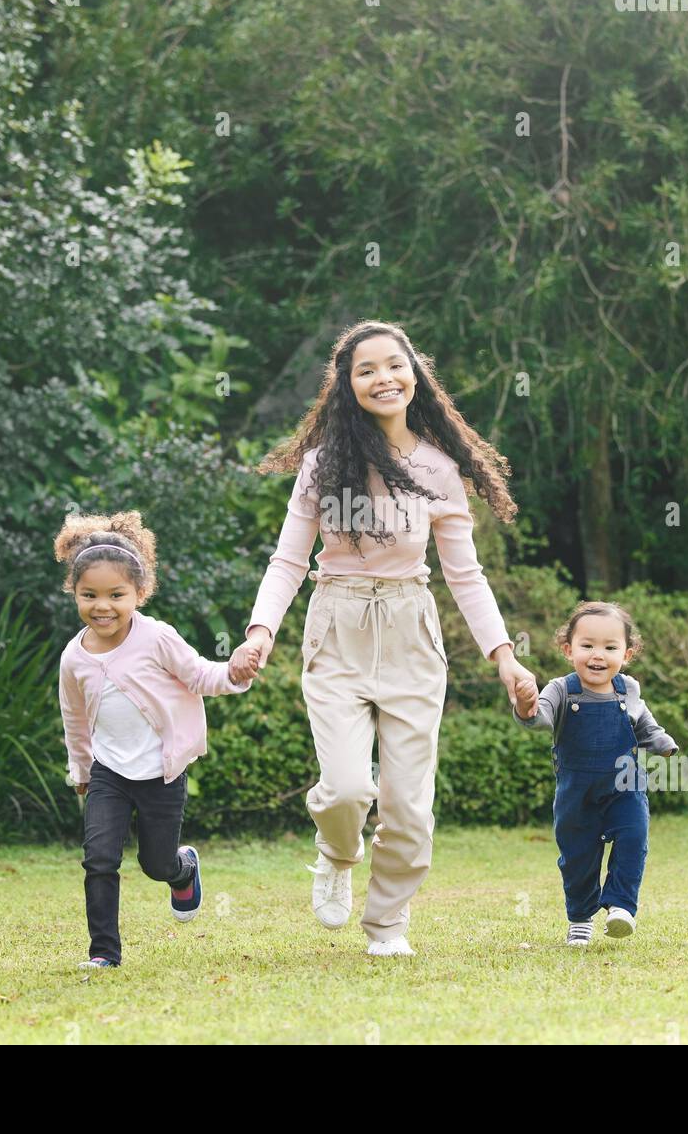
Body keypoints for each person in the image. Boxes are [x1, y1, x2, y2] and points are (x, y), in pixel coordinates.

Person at [229, 319, 539, 957]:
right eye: (365, 369)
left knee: (410, 808)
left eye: (393, 366)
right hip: (336, 627)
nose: (382, 378)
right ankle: (337, 853)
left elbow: (465, 575)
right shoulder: (322, 464)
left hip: (410, 633)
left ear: (415, 374)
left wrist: (505, 658)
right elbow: (288, 561)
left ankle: (388, 924)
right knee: (346, 788)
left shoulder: (439, 467)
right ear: (347, 385)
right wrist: (259, 632)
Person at [55, 511, 257, 969]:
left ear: (139, 594)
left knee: (155, 864)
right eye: (89, 595)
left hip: (161, 773)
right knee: (99, 859)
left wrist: (235, 672)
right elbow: (74, 717)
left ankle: (181, 868)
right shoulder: (74, 657)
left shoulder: (157, 637)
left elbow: (200, 675)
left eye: (115, 595)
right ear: (74, 593)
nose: (101, 606)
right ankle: (104, 953)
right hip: (109, 772)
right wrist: (81, 768)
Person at [512, 600, 677, 945]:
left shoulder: (628, 689)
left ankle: (620, 906)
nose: (597, 655)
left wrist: (661, 741)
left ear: (627, 654)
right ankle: (580, 917)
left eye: (609, 647)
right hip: (576, 793)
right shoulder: (561, 689)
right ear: (568, 650)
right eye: (587, 646)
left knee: (634, 838)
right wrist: (526, 707)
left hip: (625, 786)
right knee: (578, 857)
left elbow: (643, 722)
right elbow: (540, 717)